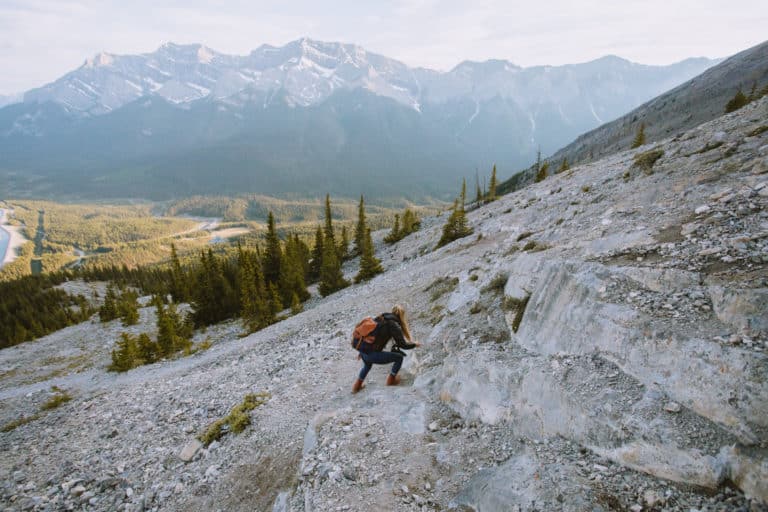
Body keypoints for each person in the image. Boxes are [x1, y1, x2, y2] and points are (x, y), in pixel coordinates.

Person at [352, 304, 421, 393]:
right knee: (399, 358)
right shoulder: (393, 324)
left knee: (367, 365)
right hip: (371, 355)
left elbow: (370, 335)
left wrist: (362, 351)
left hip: (363, 352)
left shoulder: (381, 318)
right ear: (401, 316)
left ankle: (356, 387)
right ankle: (391, 381)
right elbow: (403, 345)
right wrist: (415, 344)